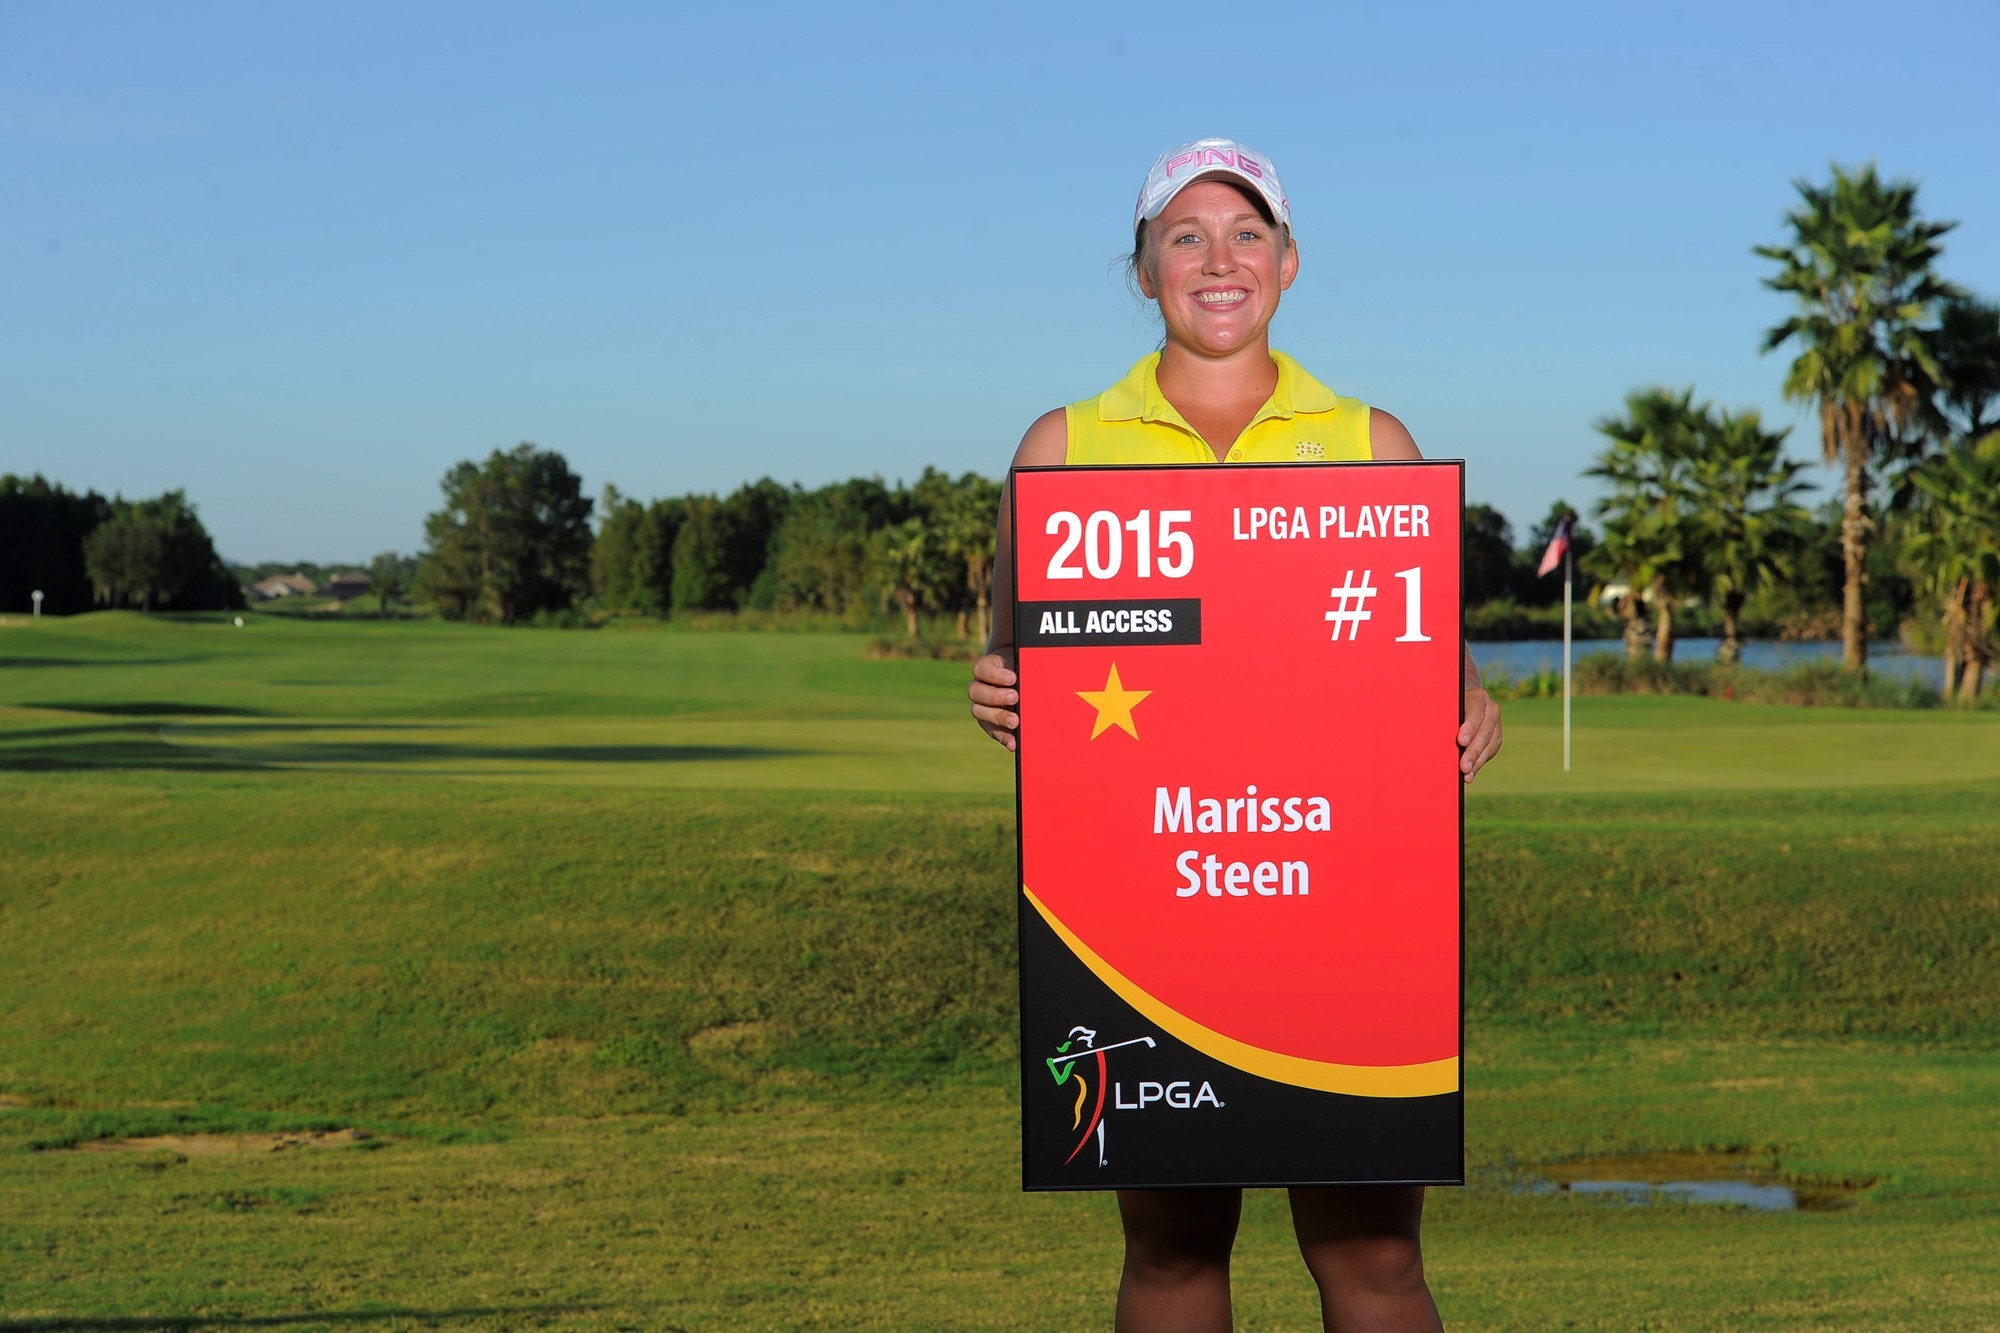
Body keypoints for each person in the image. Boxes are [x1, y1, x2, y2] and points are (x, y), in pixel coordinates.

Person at [966, 137, 1503, 1332]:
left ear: (1289, 262)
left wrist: (1469, 702)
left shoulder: (1372, 443)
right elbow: (1019, 660)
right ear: (1143, 268)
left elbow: (1435, 664)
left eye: (1246, 232)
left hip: (1341, 921)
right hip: (1142, 926)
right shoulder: (1062, 447)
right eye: (1185, 235)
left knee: (1373, 1256)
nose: (1219, 259)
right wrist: (996, 687)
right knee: (1172, 1252)